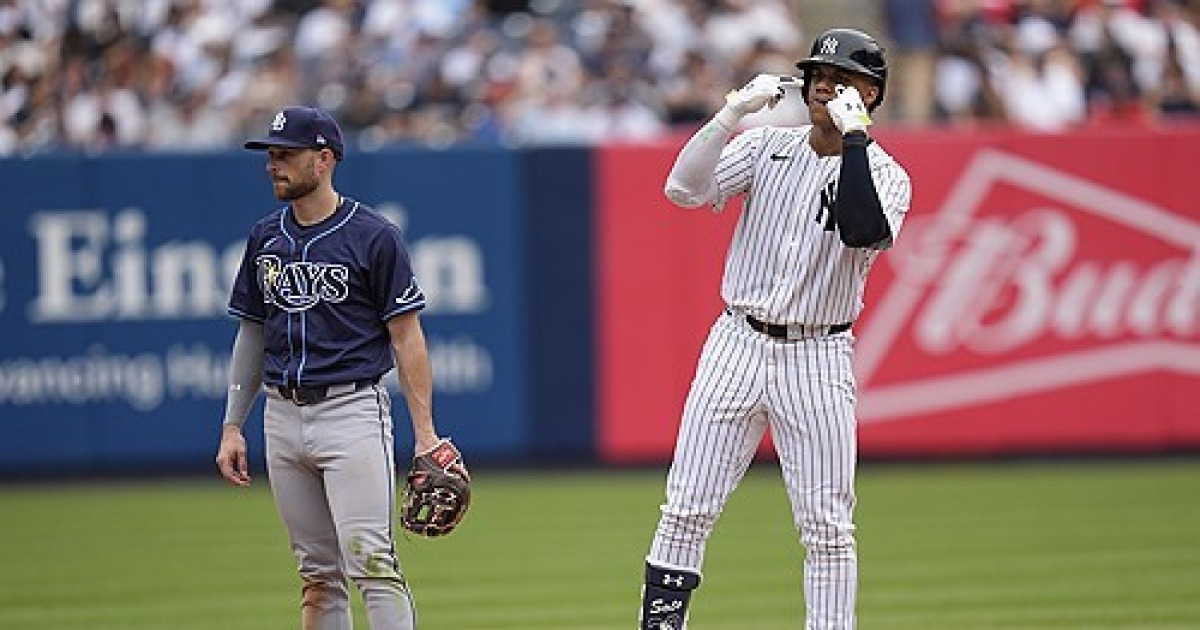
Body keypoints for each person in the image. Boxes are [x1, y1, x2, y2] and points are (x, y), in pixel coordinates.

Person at [636, 28, 912, 630]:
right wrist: (729, 114)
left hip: (817, 353)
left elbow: (862, 229)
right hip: (737, 340)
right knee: (686, 508)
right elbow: (682, 188)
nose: (824, 86)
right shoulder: (767, 148)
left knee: (827, 527)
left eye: (842, 78)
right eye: (818, 75)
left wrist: (857, 136)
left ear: (871, 93)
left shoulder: (888, 175)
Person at [215, 105, 452, 630]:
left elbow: (407, 336)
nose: (273, 165)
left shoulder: (373, 234)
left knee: (372, 561)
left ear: (323, 160)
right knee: (317, 573)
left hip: (351, 410)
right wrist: (234, 423)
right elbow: (252, 329)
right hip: (279, 415)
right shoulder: (265, 236)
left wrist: (427, 433)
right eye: (270, 156)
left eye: (285, 155)